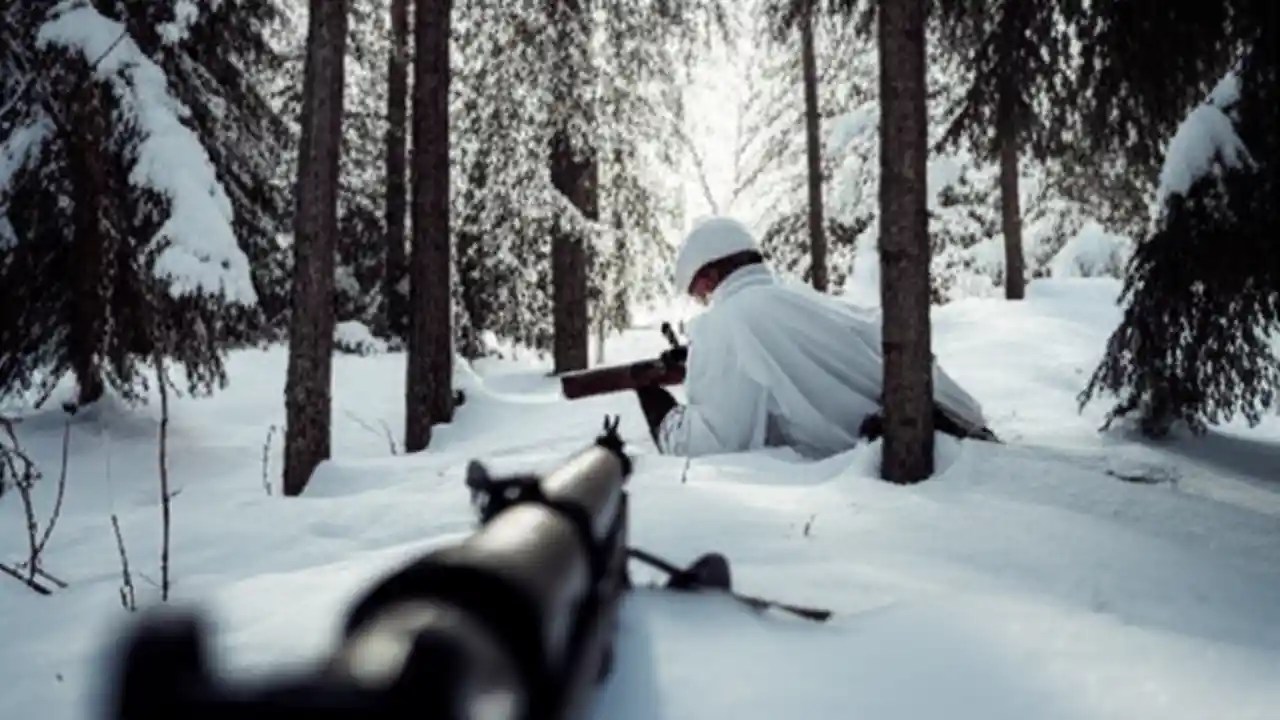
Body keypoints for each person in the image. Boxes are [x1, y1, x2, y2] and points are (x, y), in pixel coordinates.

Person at [633, 216, 996, 458]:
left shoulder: (727, 322)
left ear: (711, 276)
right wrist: (700, 360)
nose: (704, 303)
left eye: (699, 293)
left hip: (907, 471)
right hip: (962, 441)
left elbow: (716, 442)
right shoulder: (799, 298)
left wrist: (661, 413)